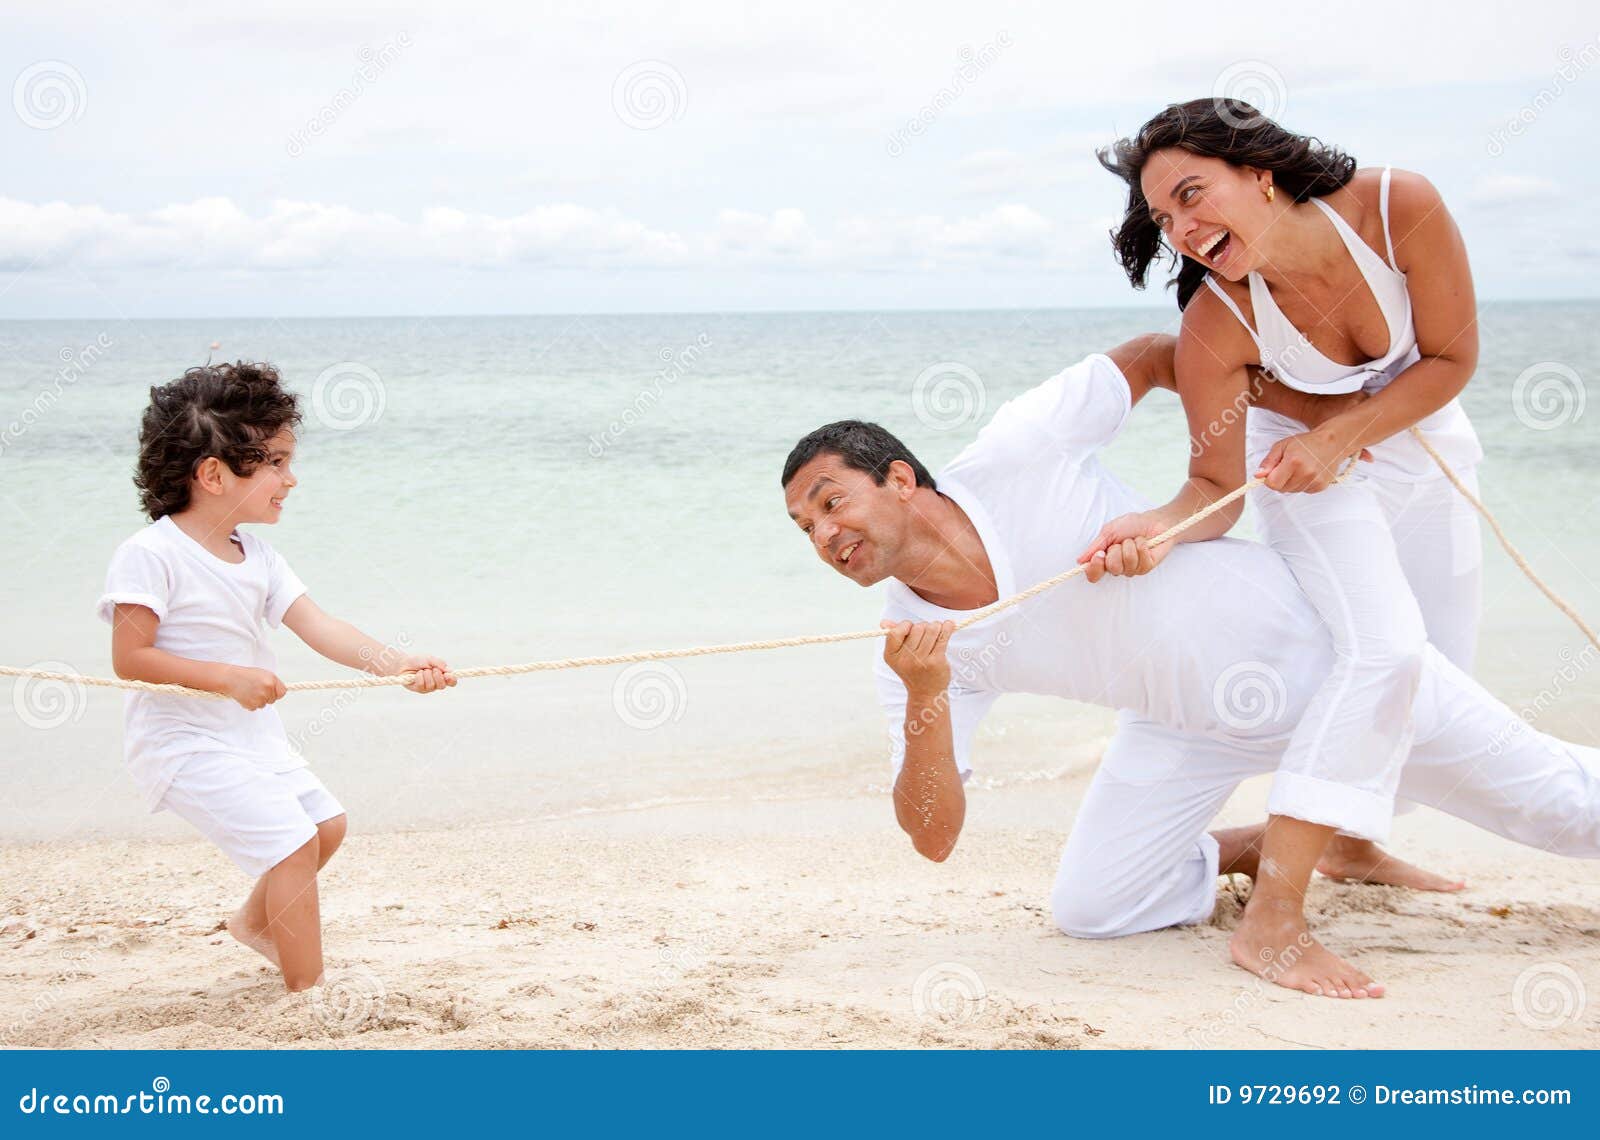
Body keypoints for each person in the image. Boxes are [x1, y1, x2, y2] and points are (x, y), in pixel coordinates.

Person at [780, 336, 1599, 999]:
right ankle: (1266, 843)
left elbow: (1159, 357)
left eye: (830, 501)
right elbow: (933, 837)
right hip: (1181, 725)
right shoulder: (911, 648)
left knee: (1564, 815)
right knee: (1095, 908)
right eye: (803, 528)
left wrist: (1315, 423)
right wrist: (928, 697)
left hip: (1326, 670)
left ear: (898, 478)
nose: (822, 535)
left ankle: (1333, 830)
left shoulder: (1015, 452)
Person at [1084, 99, 1485, 995]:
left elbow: (1453, 361)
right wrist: (1159, 529)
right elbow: (1211, 491)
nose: (1184, 230)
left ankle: (1350, 841)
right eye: (1164, 219)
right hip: (1300, 469)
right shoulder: (1218, 324)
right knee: (1383, 650)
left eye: (1193, 195)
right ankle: (1272, 919)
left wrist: (1346, 430)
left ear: (1258, 171)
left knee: (1438, 673)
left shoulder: (1399, 206)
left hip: (1427, 450)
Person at [99, 361, 456, 992]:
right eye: (275, 463)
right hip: (181, 743)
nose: (291, 479)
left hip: (249, 739)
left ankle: (257, 925)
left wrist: (396, 665)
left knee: (325, 827)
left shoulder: (257, 556)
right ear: (213, 474)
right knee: (291, 844)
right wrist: (227, 679)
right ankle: (308, 995)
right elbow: (131, 659)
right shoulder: (150, 554)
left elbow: (321, 627)